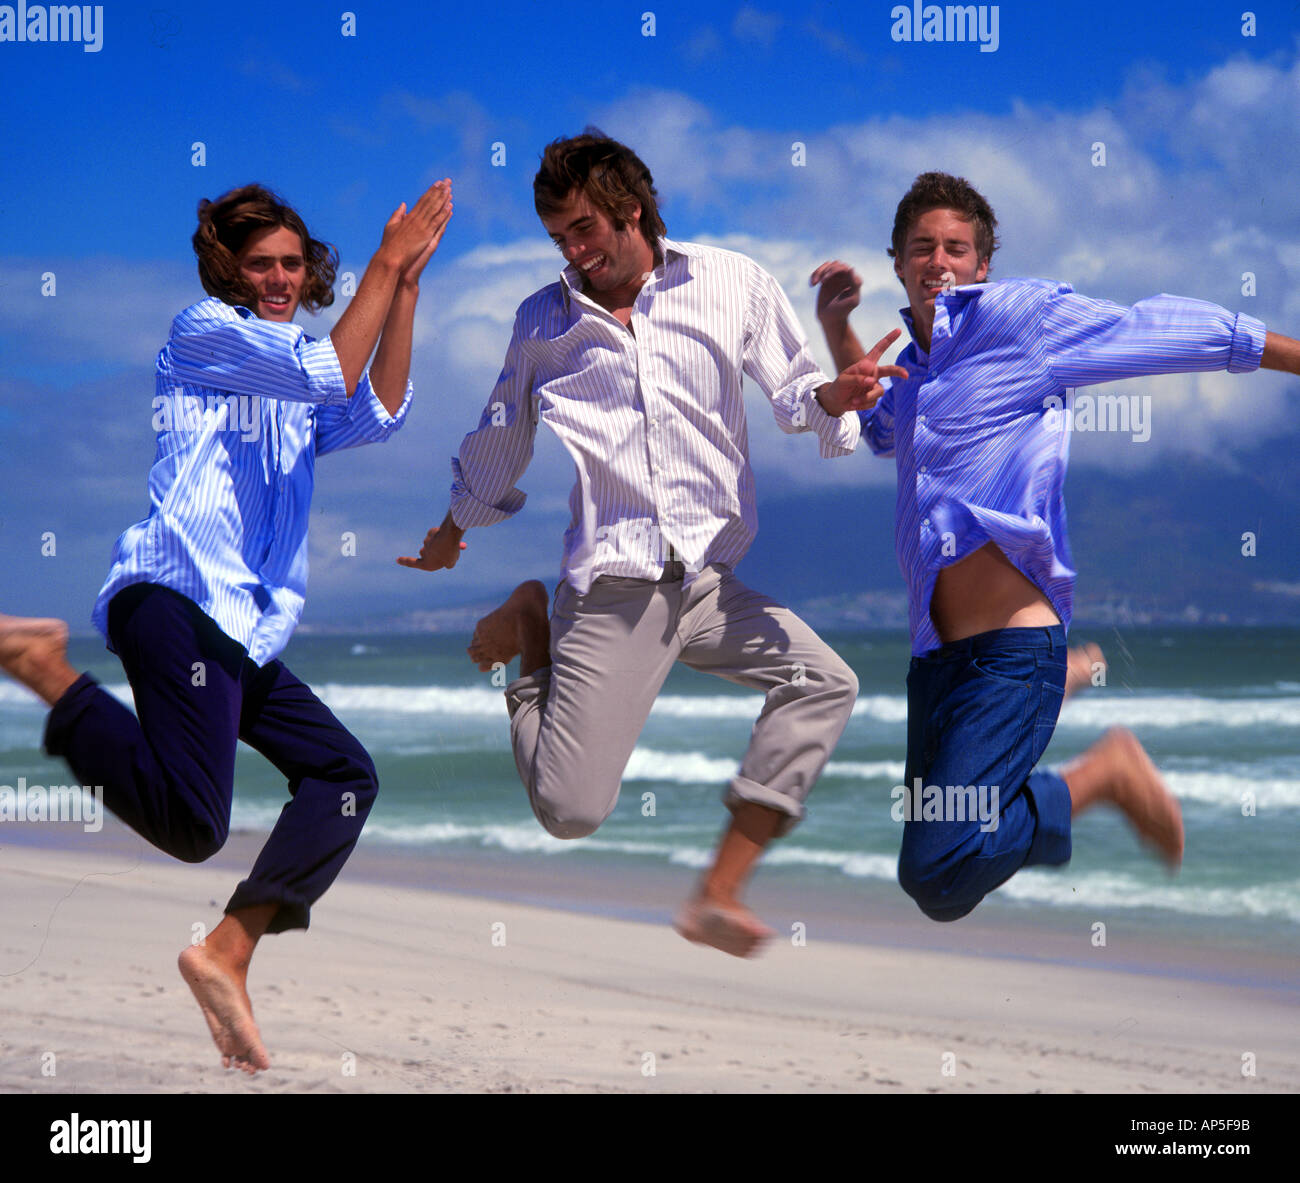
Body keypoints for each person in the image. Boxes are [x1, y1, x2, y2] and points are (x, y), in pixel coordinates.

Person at [398, 131, 898, 957]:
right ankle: (533, 637)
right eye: (559, 236)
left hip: (709, 582)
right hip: (618, 587)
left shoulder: (731, 281)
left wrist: (836, 396)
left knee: (824, 682)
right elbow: (501, 436)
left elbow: (797, 393)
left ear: (631, 207)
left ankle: (718, 890)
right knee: (570, 811)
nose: (574, 250)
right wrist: (454, 530)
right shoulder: (542, 322)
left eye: (584, 228)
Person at [0, 178, 452, 1072]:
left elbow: (376, 410)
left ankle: (228, 951)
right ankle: (47, 667)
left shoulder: (293, 375)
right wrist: (387, 261)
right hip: (173, 598)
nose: (280, 278)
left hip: (240, 632)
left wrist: (404, 288)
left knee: (344, 776)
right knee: (194, 825)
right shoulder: (201, 335)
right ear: (227, 268)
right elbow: (330, 371)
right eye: (261, 264)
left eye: (291, 263)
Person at [809, 170, 1300, 922]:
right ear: (899, 263)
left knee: (942, 862)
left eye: (957, 248)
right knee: (934, 882)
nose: (939, 261)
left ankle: (1101, 775)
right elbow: (876, 425)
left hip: (1012, 647)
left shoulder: (1022, 320)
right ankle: (1071, 692)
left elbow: (1162, 330)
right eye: (922, 248)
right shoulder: (911, 365)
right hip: (935, 659)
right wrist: (836, 326)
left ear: (982, 265)